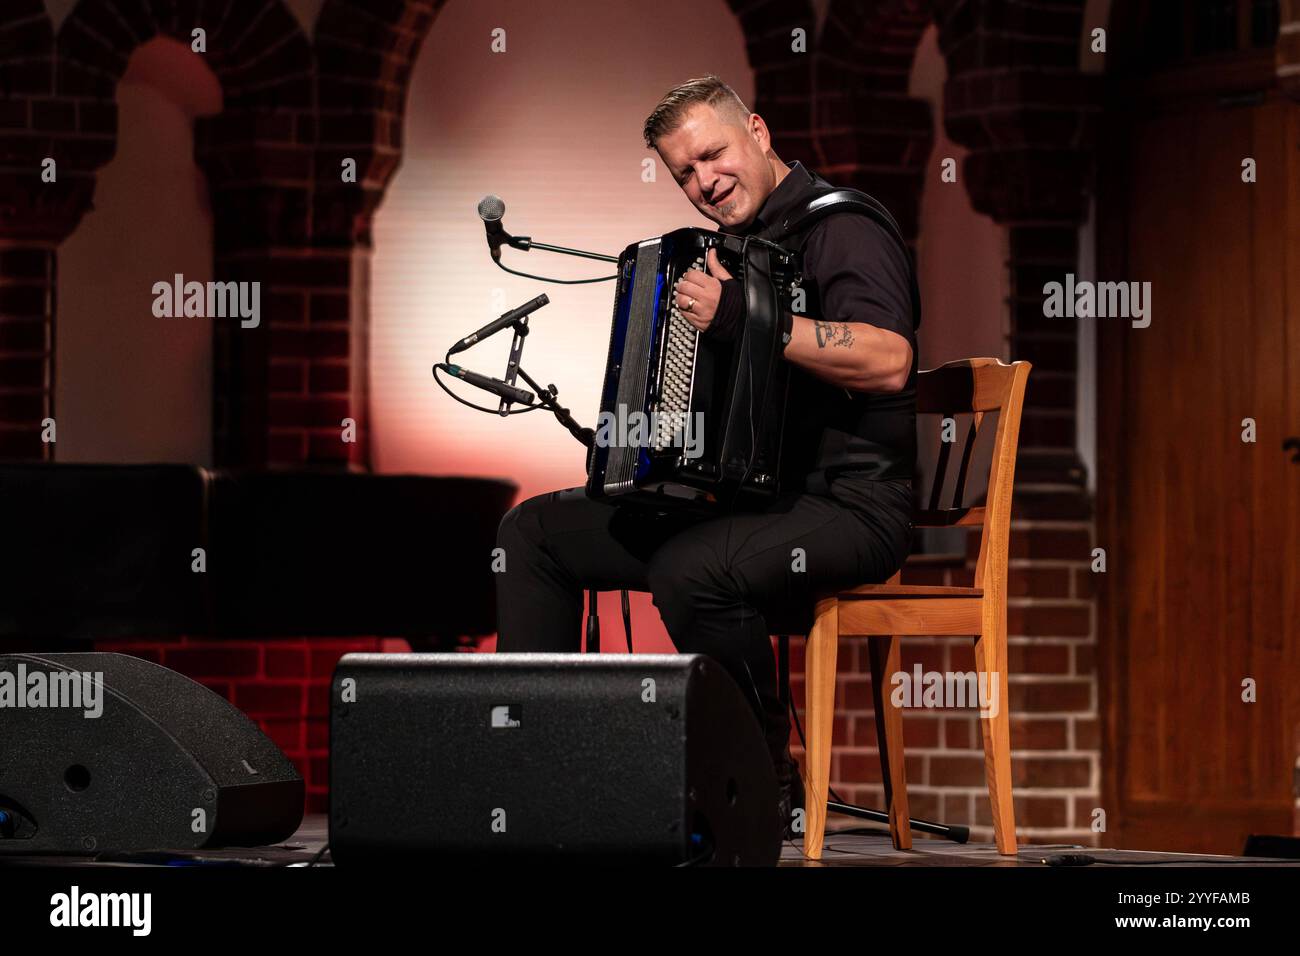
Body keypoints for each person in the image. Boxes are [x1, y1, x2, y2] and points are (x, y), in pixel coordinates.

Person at [494, 75, 918, 839]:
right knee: (534, 534)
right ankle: (536, 779)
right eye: (683, 172)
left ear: (756, 132)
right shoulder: (729, 252)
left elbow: (889, 360)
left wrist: (750, 319)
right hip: (757, 502)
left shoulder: (840, 226)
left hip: (854, 506)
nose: (704, 182)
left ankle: (757, 782)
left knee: (693, 567)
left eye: (713, 155)